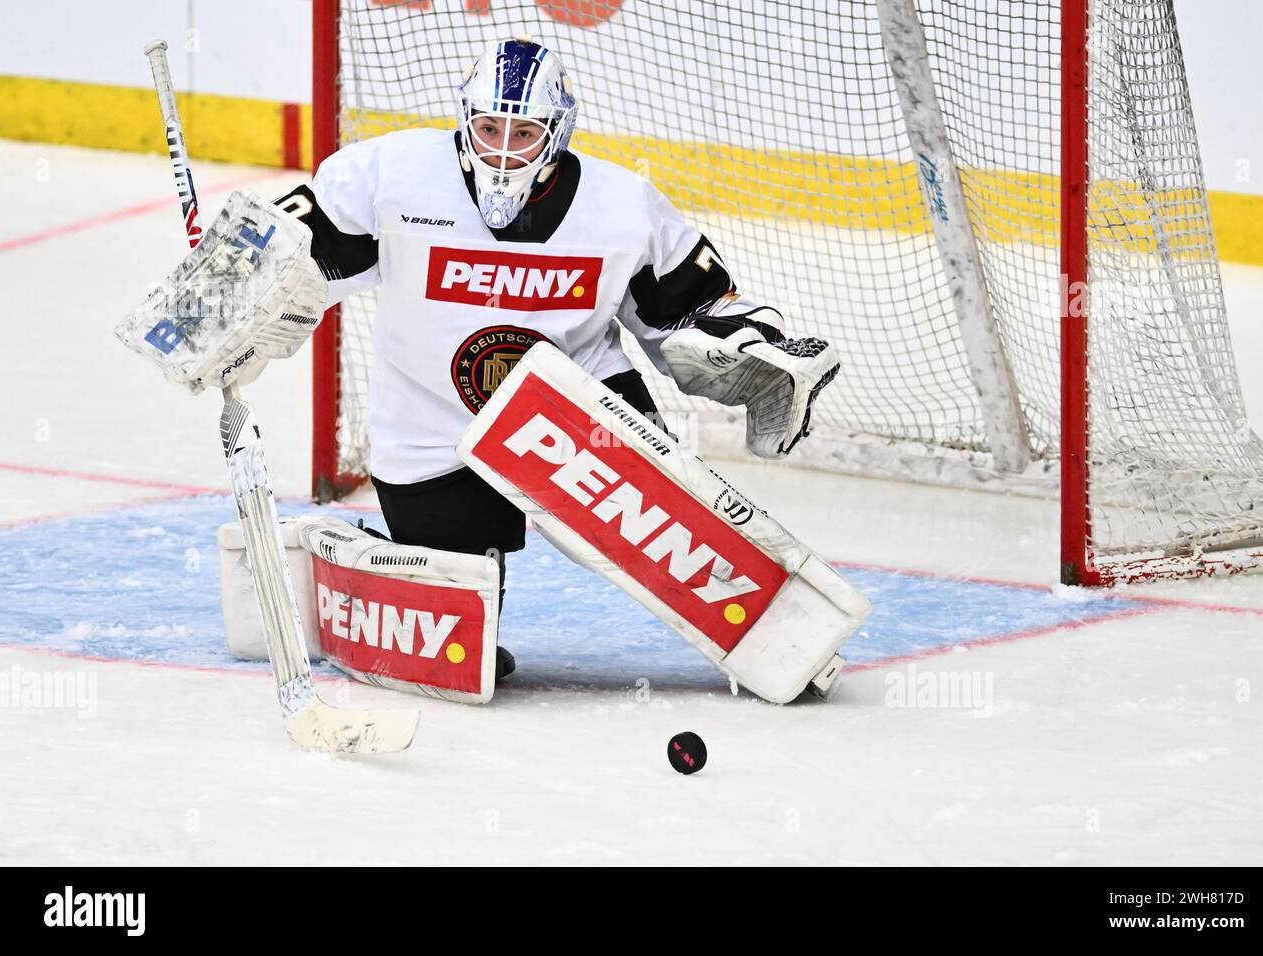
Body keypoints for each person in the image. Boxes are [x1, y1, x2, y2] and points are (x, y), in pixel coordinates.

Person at [274, 38, 840, 677]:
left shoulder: (622, 205)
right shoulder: (388, 176)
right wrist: (230, 295)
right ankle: (381, 564)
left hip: (577, 408)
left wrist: (746, 354)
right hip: (428, 422)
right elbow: (292, 255)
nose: (504, 148)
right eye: (489, 127)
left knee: (674, 534)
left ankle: (784, 638)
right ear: (465, 120)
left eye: (525, 130)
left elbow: (689, 311)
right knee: (454, 640)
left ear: (558, 129)